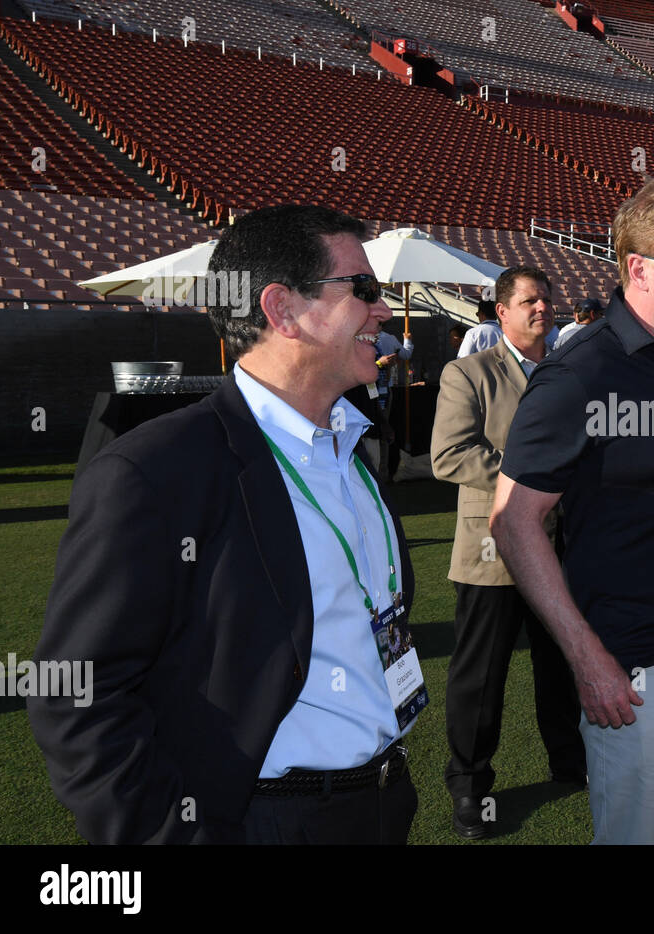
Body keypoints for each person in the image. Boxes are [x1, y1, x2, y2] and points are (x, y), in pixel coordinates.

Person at [28, 205, 422, 844]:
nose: (381, 311)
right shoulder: (155, 469)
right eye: (363, 289)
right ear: (282, 310)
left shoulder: (356, 445)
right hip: (258, 820)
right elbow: (76, 695)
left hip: (380, 805)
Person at [489, 176, 654, 845]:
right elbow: (513, 522)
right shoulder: (580, 375)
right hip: (635, 674)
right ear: (638, 268)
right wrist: (588, 658)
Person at [430, 265, 585, 840]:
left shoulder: (569, 373)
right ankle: (469, 786)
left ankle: (570, 762)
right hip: (491, 549)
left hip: (565, 547)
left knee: (563, 664)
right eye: (528, 301)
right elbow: (449, 456)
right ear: (502, 313)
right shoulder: (466, 373)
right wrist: (537, 478)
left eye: (546, 300)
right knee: (480, 676)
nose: (542, 309)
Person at [372, 325, 413, 482]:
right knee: (379, 435)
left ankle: (381, 474)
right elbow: (406, 354)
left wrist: (383, 367)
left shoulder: (378, 342)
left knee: (383, 433)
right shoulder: (383, 340)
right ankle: (380, 473)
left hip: (381, 392)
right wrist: (408, 340)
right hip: (378, 392)